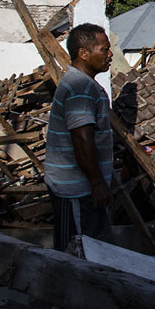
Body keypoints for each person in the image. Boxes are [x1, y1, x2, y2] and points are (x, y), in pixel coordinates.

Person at [45, 23, 114, 251]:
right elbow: (81, 138)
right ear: (83, 54)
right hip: (76, 190)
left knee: (91, 251)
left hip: (81, 187)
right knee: (75, 254)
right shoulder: (80, 88)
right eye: (104, 50)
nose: (110, 55)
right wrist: (97, 183)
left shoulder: (83, 84)